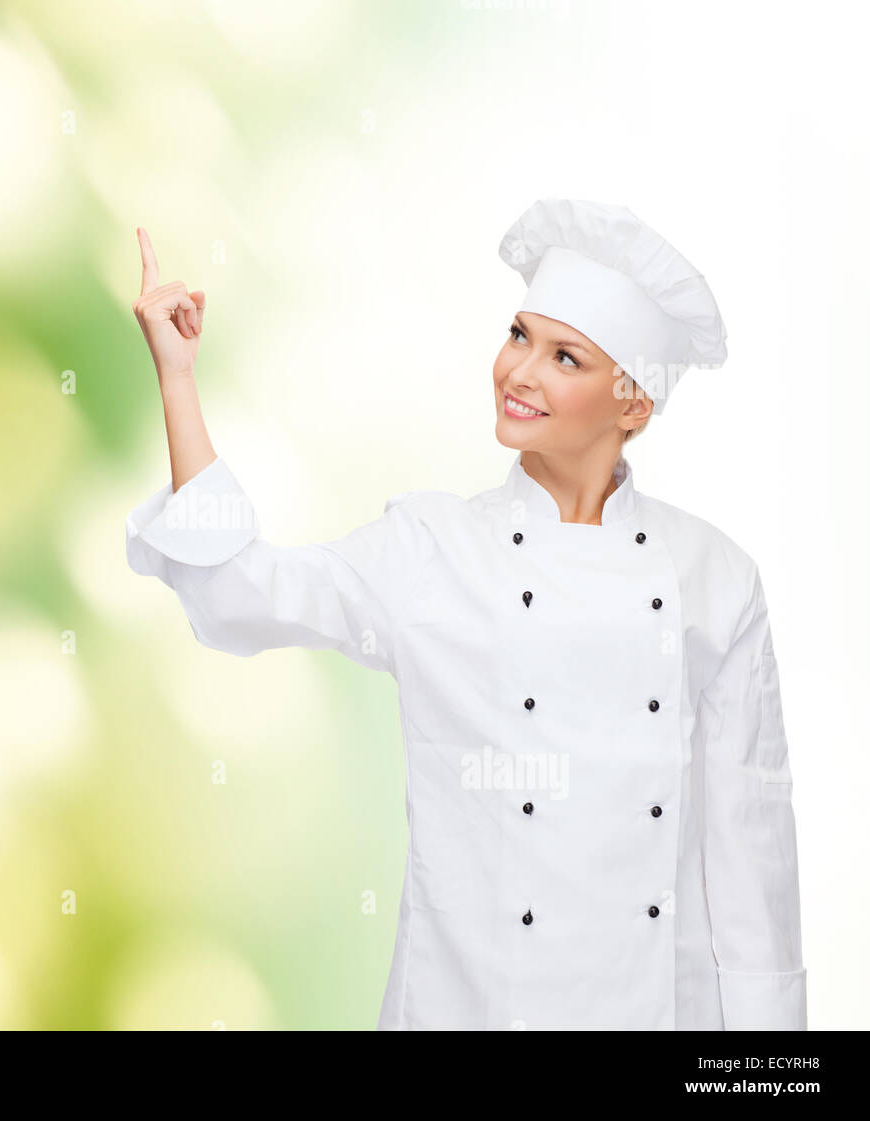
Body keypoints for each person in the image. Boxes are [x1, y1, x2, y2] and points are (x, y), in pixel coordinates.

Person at [124, 199, 806, 1031]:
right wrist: (178, 379)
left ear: (633, 404)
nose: (520, 372)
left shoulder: (717, 577)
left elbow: (751, 852)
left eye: (565, 356)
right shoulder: (431, 547)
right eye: (519, 336)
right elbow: (242, 593)